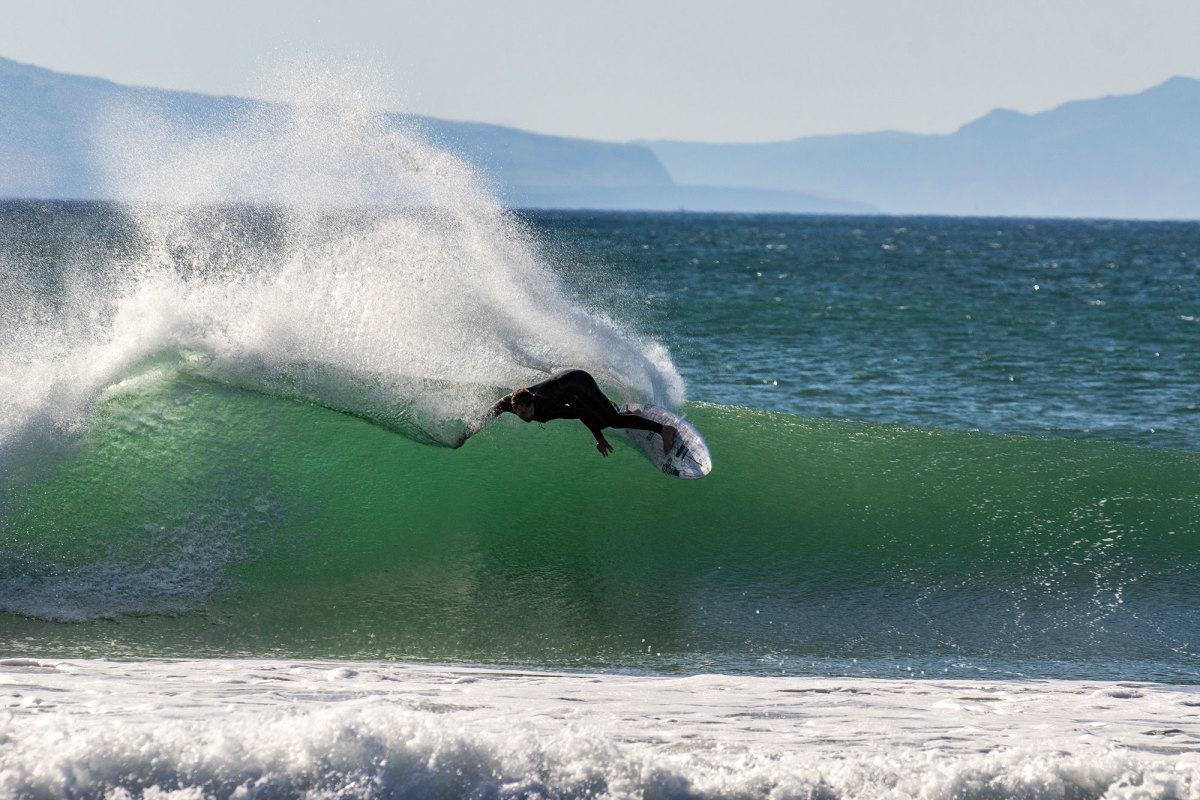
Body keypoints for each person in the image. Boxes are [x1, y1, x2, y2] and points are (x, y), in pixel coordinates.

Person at [453, 369, 676, 457]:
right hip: (565, 388)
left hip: (578, 382)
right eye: (523, 414)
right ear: (514, 409)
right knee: (602, 415)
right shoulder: (505, 404)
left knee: (612, 421)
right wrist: (465, 435)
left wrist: (598, 437)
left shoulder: (546, 406)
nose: (528, 416)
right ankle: (617, 408)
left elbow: (579, 412)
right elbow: (485, 416)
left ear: (532, 403)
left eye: (529, 410)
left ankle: (663, 429)